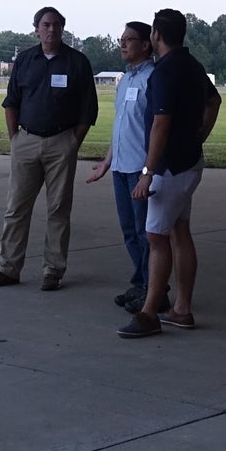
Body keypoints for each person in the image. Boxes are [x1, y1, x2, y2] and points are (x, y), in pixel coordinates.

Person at [119, 8, 220, 337]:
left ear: (156, 36)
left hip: (169, 168)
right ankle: (182, 309)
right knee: (179, 232)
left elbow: (160, 123)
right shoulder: (193, 66)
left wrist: (148, 171)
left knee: (156, 238)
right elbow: (214, 100)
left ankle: (150, 312)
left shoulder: (162, 72)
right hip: (190, 162)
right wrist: (200, 135)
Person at [0, 5, 97, 291]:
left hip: (62, 142)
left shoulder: (77, 62)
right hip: (26, 141)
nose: (51, 30)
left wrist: (73, 142)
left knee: (58, 209)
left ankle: (53, 270)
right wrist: (15, 139)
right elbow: (11, 102)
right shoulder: (24, 61)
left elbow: (88, 110)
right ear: (36, 29)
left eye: (56, 25)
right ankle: (8, 268)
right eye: (46, 25)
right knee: (16, 208)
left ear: (63, 28)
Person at [85, 21, 166, 313]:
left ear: (146, 44)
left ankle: (155, 291)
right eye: (121, 39)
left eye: (129, 40)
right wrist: (107, 161)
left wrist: (148, 169)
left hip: (140, 168)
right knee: (130, 231)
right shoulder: (126, 80)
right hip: (121, 166)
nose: (123, 44)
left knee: (147, 233)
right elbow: (122, 126)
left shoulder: (153, 78)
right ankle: (141, 284)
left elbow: (159, 125)